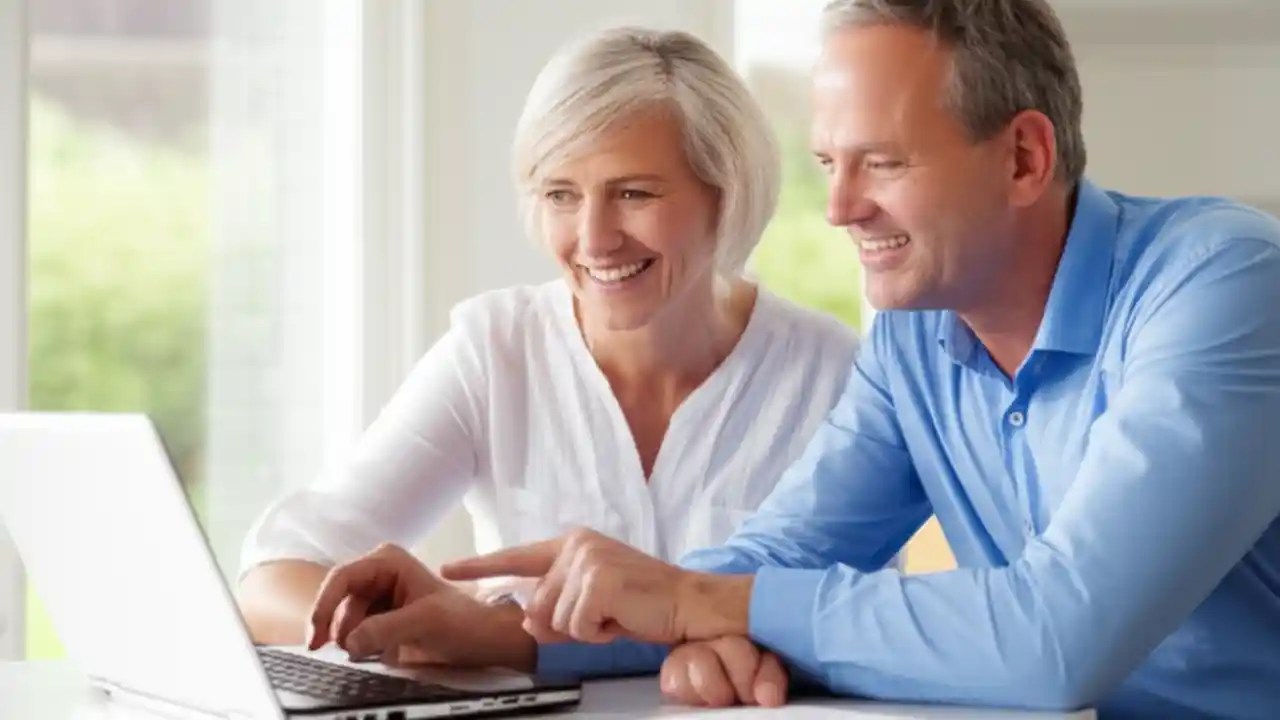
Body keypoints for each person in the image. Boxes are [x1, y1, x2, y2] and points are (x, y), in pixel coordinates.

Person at [312, 1, 1280, 716]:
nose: (839, 209)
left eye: (883, 163)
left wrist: (704, 607)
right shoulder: (913, 337)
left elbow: (1055, 636)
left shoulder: (1222, 286)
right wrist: (514, 636)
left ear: (1023, 158)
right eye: (828, 164)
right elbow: (764, 561)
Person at [236, 26, 859, 682]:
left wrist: (733, 639)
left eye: (634, 193)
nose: (594, 238)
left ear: (725, 195)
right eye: (561, 194)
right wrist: (425, 628)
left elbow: (847, 623)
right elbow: (271, 576)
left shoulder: (831, 378)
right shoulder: (496, 351)